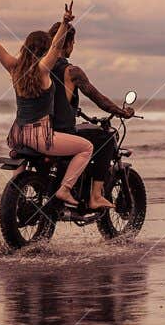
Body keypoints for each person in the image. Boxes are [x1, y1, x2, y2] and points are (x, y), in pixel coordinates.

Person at [0, 2, 113, 211]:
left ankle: (19, 199)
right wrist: (65, 23)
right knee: (87, 147)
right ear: (44, 49)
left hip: (16, 135)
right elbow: (57, 47)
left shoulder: (13, 67)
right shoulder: (42, 70)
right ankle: (65, 189)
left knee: (21, 169)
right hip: (40, 137)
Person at [45, 18, 134, 203]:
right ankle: (95, 195)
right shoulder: (71, 71)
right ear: (67, 42)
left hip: (39, 132)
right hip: (61, 132)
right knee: (107, 137)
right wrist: (121, 111)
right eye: (73, 43)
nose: (73, 47)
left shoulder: (38, 69)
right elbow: (98, 98)